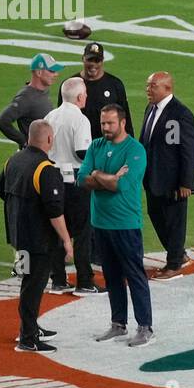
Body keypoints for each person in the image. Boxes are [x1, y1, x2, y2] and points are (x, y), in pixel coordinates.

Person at [78, 104, 154, 347]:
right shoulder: (96, 145)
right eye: (102, 123)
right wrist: (107, 176)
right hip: (100, 223)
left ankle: (145, 327)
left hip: (125, 224)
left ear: (122, 123)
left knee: (134, 275)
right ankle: (118, 323)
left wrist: (98, 175)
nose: (105, 128)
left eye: (110, 123)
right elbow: (82, 179)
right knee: (111, 275)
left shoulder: (136, 151)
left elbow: (120, 186)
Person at [0, 121, 73, 352]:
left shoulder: (14, 160)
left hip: (18, 237)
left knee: (27, 283)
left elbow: (0, 188)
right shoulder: (45, 169)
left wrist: (19, 208)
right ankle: (28, 337)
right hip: (39, 241)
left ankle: (29, 328)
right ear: (49, 139)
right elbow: (54, 210)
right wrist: (67, 240)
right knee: (34, 285)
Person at [141, 72, 194, 280]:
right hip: (153, 177)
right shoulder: (151, 109)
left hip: (173, 180)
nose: (148, 89)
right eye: (148, 85)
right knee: (157, 216)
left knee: (174, 221)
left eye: (153, 86)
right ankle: (178, 254)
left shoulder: (180, 113)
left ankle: (174, 265)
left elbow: (188, 150)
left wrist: (186, 182)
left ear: (167, 88)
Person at [44, 76, 98, 294]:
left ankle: (58, 279)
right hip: (74, 179)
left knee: (57, 228)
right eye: (84, 93)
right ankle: (84, 281)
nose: (86, 96)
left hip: (51, 177)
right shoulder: (80, 119)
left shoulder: (50, 115)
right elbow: (82, 151)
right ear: (78, 96)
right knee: (83, 231)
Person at [0, 53, 62, 147]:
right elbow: (2, 121)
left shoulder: (42, 92)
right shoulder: (26, 97)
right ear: (39, 73)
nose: (56, 74)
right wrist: (24, 142)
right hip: (35, 155)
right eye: (51, 71)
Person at [77, 42, 134, 143]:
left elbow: (126, 121)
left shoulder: (115, 84)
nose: (93, 64)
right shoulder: (71, 84)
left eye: (97, 60)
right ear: (83, 59)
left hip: (108, 147)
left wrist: (129, 148)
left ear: (102, 61)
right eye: (90, 60)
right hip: (78, 147)